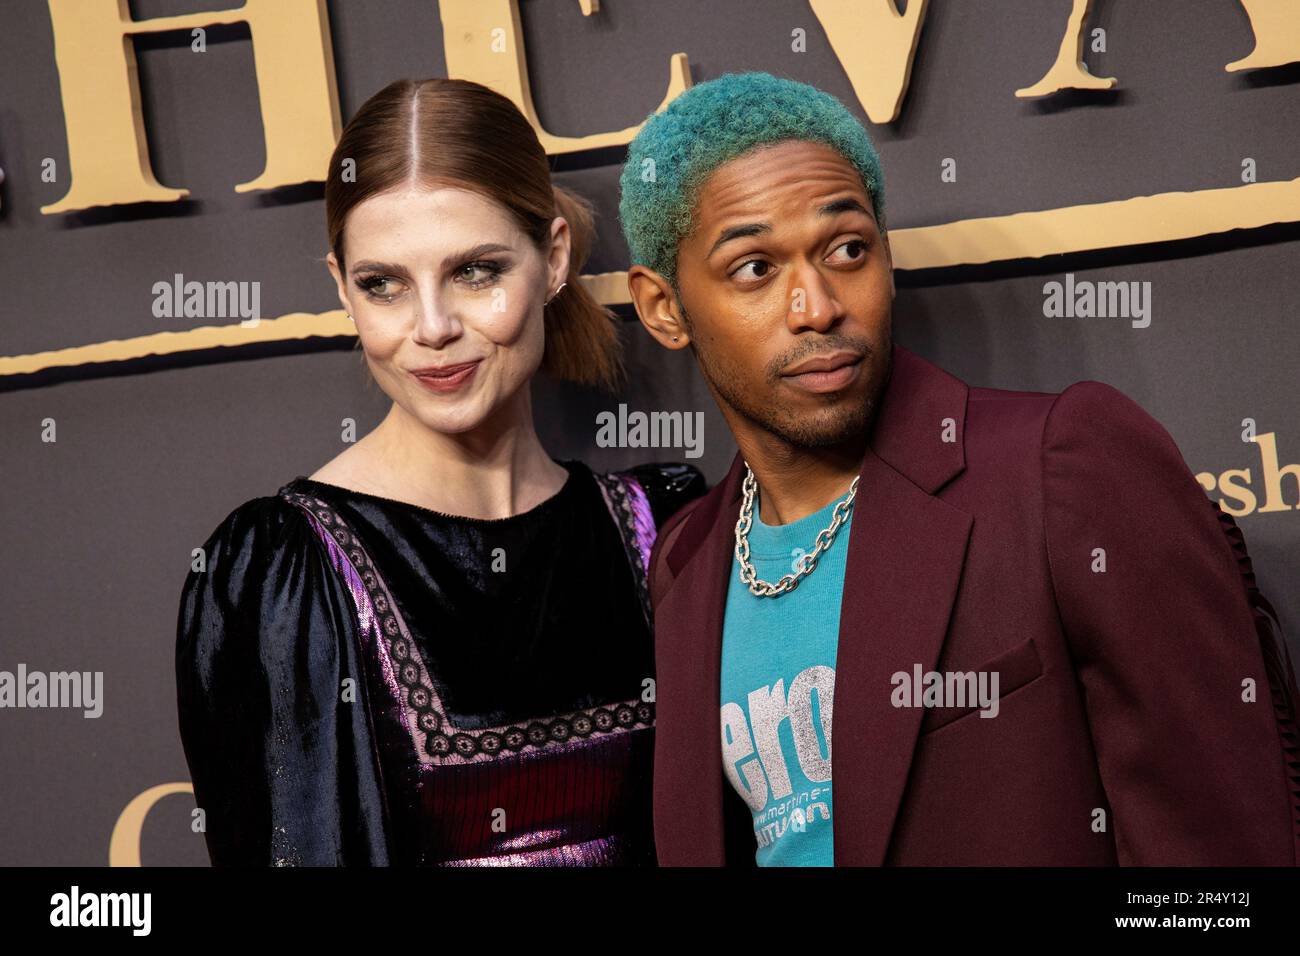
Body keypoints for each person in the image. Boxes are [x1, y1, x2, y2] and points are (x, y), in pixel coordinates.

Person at [619, 71, 1300, 866]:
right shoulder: (685, 562)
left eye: (847, 250)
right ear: (665, 309)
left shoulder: (1063, 467)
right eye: (755, 269)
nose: (817, 306)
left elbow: (1220, 857)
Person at [175, 77, 705, 866]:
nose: (431, 328)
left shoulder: (661, 528)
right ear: (341, 290)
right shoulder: (283, 573)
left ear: (553, 256)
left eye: (476, 271)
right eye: (382, 285)